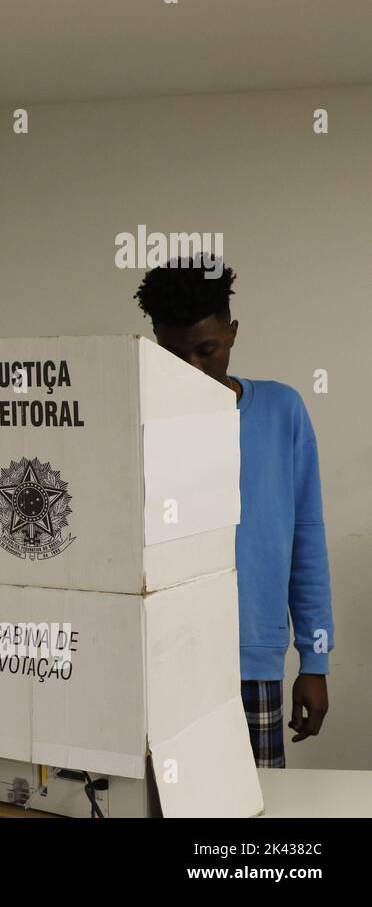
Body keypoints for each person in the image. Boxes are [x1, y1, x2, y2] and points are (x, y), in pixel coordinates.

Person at [133, 255, 333, 768]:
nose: (195, 369)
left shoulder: (281, 410)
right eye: (175, 356)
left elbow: (305, 538)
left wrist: (315, 660)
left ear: (232, 333)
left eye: (207, 350)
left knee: (253, 816)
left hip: (253, 661)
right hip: (160, 660)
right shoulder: (136, 419)